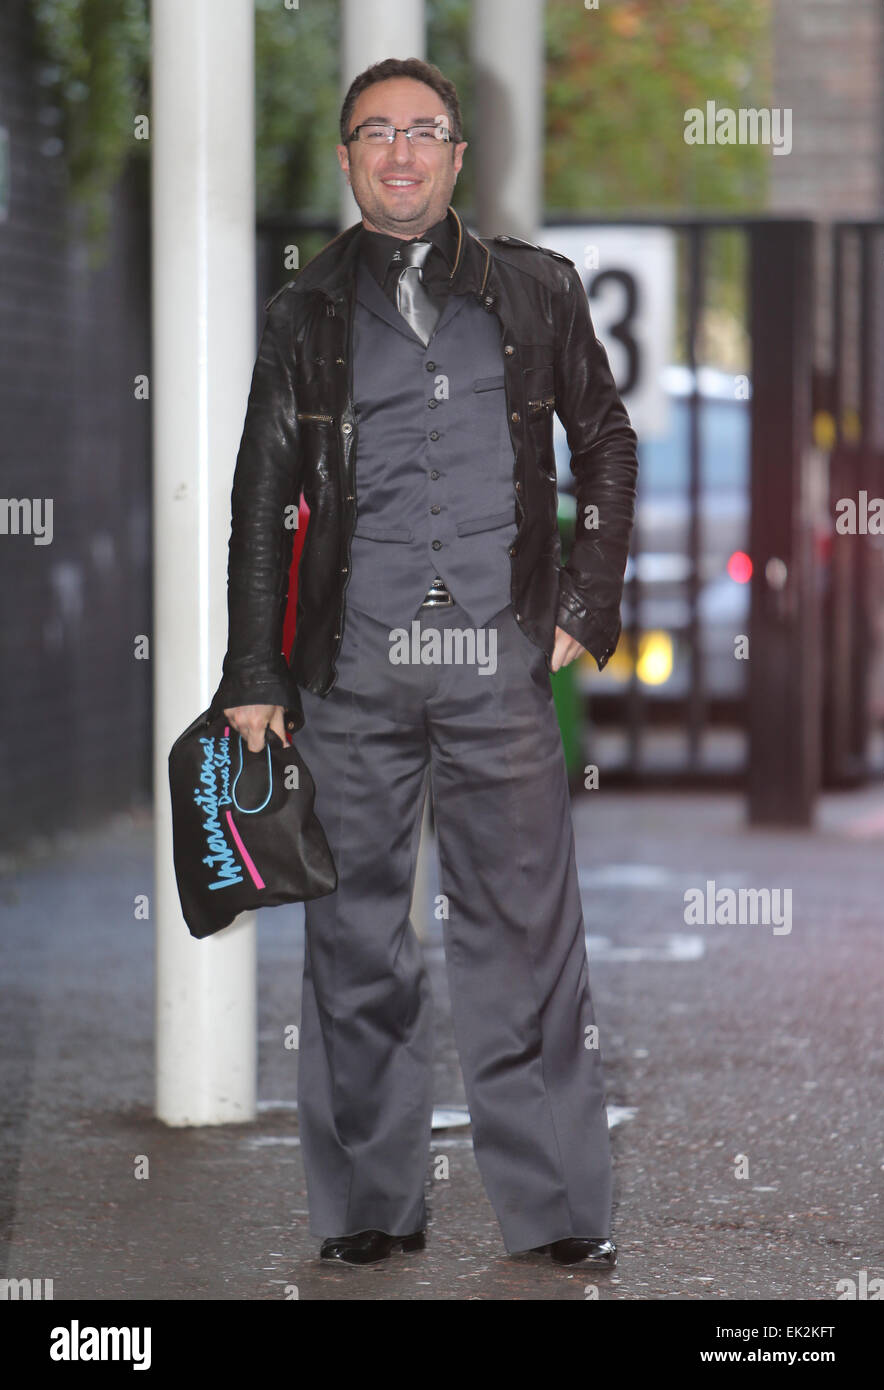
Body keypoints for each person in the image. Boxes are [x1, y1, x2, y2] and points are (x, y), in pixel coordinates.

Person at [209, 57, 638, 1267]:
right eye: (374, 133)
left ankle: (555, 1211)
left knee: (527, 944)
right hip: (350, 672)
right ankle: (366, 1209)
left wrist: (585, 603)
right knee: (351, 941)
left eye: (424, 132)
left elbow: (604, 438)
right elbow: (262, 497)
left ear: (458, 154)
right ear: (347, 160)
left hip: (498, 668)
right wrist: (255, 668)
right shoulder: (305, 310)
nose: (400, 153)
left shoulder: (534, 292)